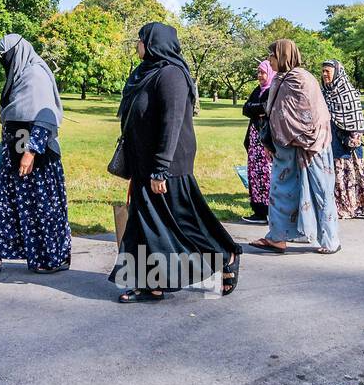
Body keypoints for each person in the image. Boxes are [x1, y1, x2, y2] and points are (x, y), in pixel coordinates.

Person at [108, 23, 241, 303]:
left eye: (140, 40)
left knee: (185, 221)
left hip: (168, 166)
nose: (137, 45)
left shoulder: (171, 75)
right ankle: (152, 284)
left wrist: (161, 169)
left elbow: (172, 124)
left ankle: (226, 253)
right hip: (144, 163)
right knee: (146, 225)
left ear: (153, 42)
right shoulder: (147, 72)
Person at [0, 35, 71, 274]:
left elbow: (45, 117)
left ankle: (52, 258)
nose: (3, 61)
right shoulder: (20, 75)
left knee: (42, 209)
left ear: (16, 53)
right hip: (14, 155)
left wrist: (30, 152)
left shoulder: (36, 75)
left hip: (37, 158)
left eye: (5, 56)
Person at [248, 39, 341, 255]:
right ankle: (277, 238)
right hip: (286, 147)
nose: (269, 60)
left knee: (320, 190)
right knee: (281, 192)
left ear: (282, 56)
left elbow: (307, 115)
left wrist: (291, 136)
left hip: (310, 147)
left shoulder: (300, 78)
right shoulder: (281, 79)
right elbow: (276, 113)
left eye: (272, 55)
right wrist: (271, 140)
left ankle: (330, 240)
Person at [322, 59, 364, 219]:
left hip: (348, 141)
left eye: (328, 71)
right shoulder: (324, 92)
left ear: (337, 72)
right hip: (330, 138)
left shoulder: (348, 91)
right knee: (336, 173)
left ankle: (361, 205)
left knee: (353, 173)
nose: (325, 74)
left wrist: (355, 136)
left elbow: (356, 117)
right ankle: (342, 206)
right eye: (323, 72)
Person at [240, 60, 277, 224]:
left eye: (263, 72)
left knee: (268, 174)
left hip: (266, 141)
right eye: (259, 72)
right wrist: (256, 109)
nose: (260, 76)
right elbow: (246, 108)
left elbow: (265, 108)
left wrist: (255, 109)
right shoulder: (258, 90)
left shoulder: (273, 89)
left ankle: (271, 212)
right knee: (255, 175)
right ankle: (259, 211)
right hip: (254, 140)